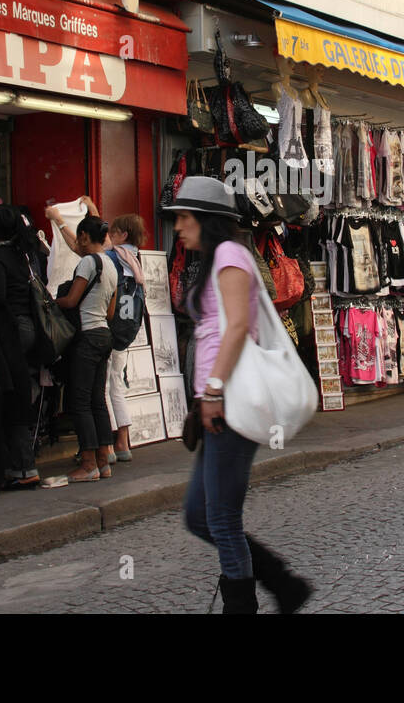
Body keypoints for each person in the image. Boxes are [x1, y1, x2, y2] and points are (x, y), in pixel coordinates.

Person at [164, 176, 312, 614]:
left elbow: (235, 327)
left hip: (230, 401)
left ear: (207, 220)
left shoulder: (230, 254)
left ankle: (246, 603)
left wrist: (212, 391)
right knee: (199, 515)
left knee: (220, 518)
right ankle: (284, 584)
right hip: (216, 404)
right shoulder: (215, 259)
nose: (177, 227)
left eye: (184, 217)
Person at [0, 204, 42, 493]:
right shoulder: (21, 254)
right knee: (20, 399)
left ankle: (12, 470)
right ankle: (25, 466)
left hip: (8, 333)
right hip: (28, 329)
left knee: (4, 400)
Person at [55, 215, 119, 481]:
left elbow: (71, 301)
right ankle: (104, 462)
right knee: (97, 401)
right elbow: (111, 312)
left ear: (83, 236)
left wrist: (51, 302)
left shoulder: (88, 262)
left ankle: (89, 464)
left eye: (78, 238)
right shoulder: (112, 265)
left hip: (87, 337)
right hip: (105, 335)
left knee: (79, 402)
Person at [105, 213, 148, 462]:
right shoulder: (136, 259)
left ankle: (107, 447)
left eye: (113, 232)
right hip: (127, 331)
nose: (109, 236)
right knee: (117, 386)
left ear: (123, 235)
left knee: (102, 389)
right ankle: (123, 443)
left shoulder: (113, 257)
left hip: (109, 327)